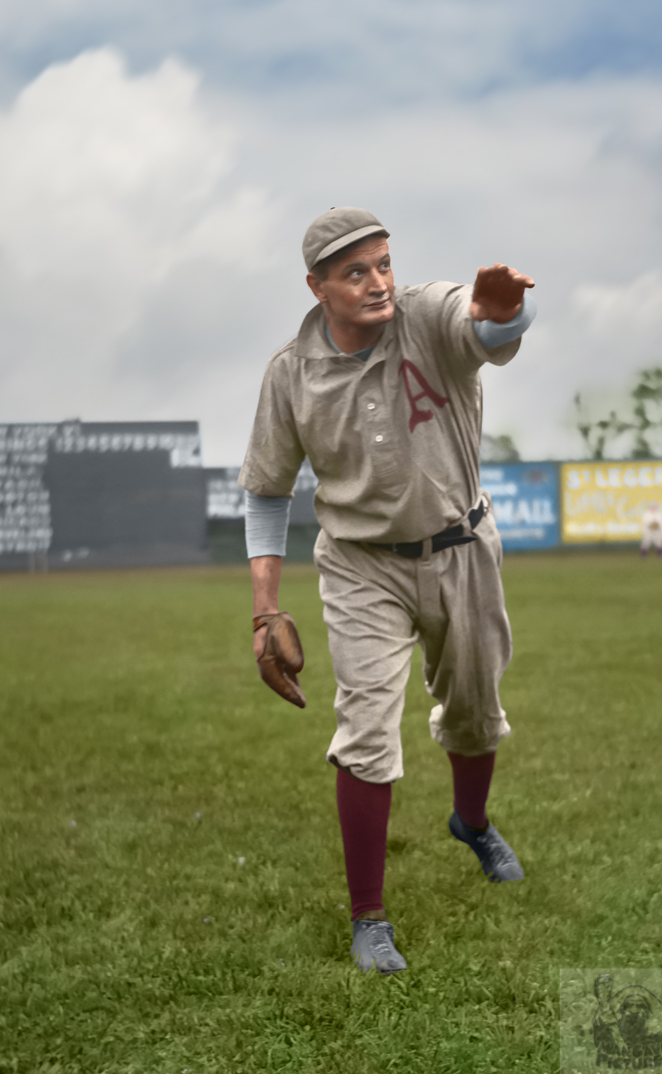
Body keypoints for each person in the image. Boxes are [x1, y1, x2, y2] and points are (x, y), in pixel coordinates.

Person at [238, 207, 536, 974]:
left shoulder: (425, 316)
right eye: (354, 271)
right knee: (365, 729)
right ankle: (367, 917)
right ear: (317, 287)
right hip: (361, 563)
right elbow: (268, 490)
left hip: (462, 546)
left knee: (474, 712)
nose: (376, 282)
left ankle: (470, 823)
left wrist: (506, 311)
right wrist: (264, 607)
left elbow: (486, 330)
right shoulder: (289, 374)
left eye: (381, 263)